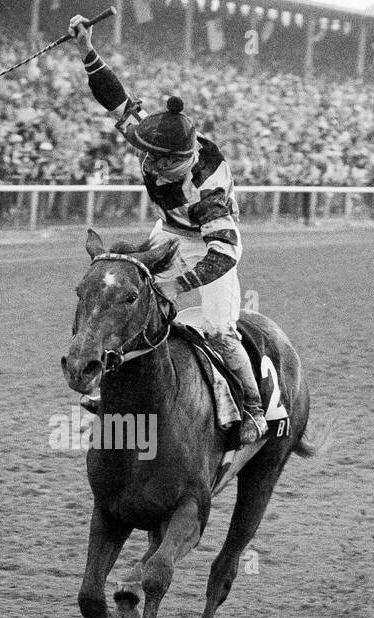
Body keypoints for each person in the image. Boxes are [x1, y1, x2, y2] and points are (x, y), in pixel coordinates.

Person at [68, 14, 267, 445]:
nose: (152, 166)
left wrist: (180, 285)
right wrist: (87, 49)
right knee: (132, 306)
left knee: (219, 328)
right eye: (149, 157)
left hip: (210, 246)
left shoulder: (208, 185)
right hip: (171, 233)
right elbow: (117, 101)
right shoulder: (161, 142)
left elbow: (225, 255)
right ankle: (112, 389)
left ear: (186, 156)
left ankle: (253, 406)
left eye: (162, 161)